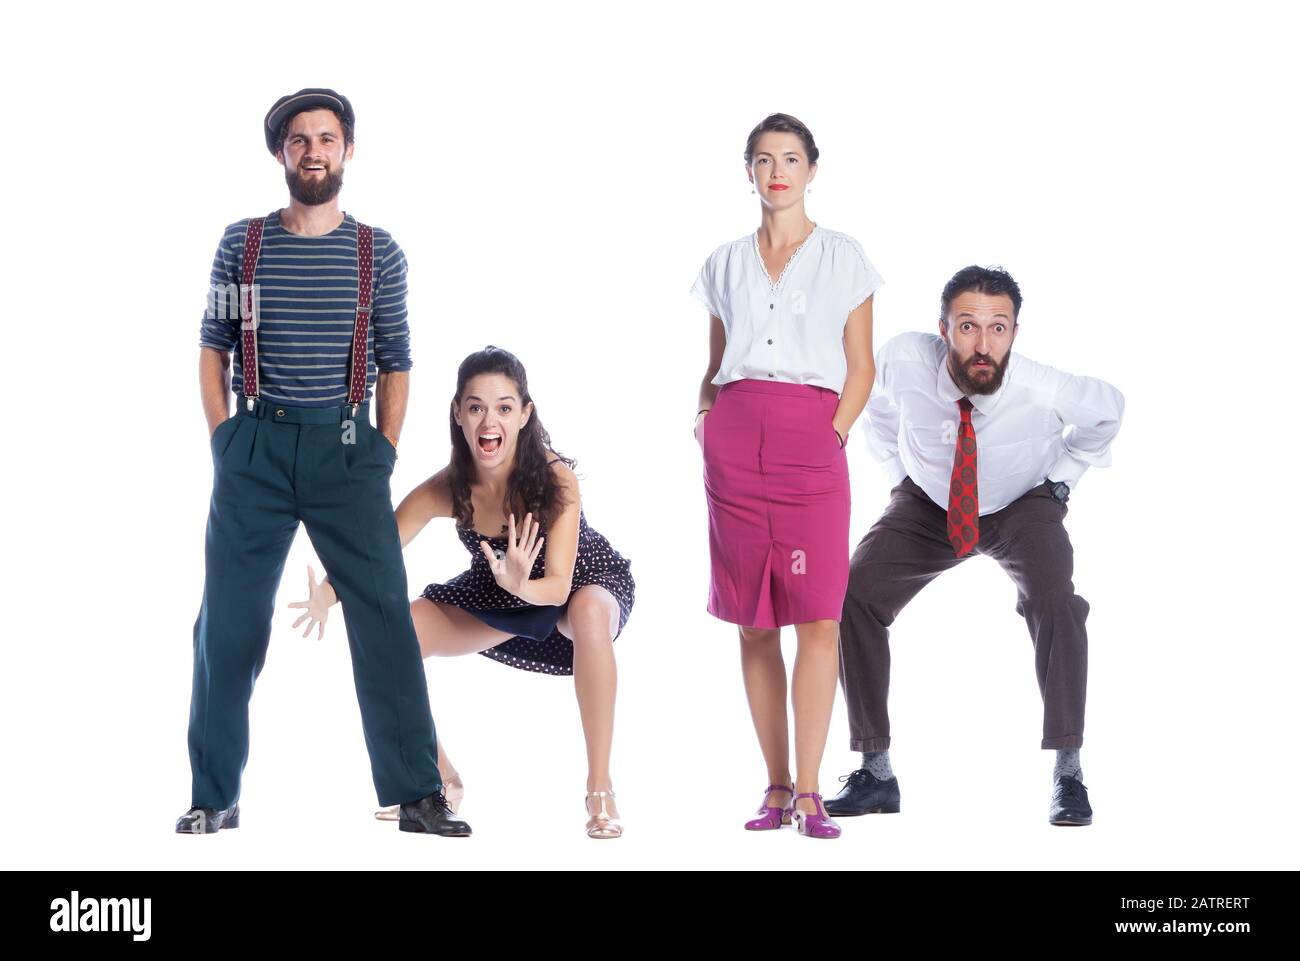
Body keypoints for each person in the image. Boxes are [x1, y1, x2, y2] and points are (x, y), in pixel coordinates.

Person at [180, 88, 468, 838]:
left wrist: (383, 449)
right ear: (282, 153)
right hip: (256, 449)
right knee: (227, 626)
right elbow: (212, 348)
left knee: (383, 620)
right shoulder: (241, 244)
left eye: (328, 138)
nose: (315, 151)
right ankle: (213, 794)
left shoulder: (378, 252)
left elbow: (397, 360)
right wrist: (224, 439)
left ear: (347, 151)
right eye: (301, 140)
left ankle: (416, 793)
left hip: (348, 453)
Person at [291, 346, 635, 839]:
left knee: (588, 613)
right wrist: (329, 590)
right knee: (396, 632)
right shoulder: (448, 487)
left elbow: (558, 583)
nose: (487, 421)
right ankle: (439, 781)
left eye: (503, 407)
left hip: (578, 582)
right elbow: (377, 549)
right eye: (475, 406)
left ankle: (600, 790)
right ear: (457, 413)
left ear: (524, 414)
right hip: (497, 588)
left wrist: (523, 584)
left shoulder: (556, 478)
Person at [825, 265, 1125, 827]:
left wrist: (1064, 479)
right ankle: (876, 772)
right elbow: (876, 403)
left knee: (1057, 599)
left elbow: (1110, 408)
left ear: (1014, 332)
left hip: (1020, 505)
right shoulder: (903, 360)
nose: (982, 344)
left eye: (997, 328)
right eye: (967, 326)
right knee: (852, 596)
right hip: (928, 505)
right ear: (942, 329)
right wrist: (898, 472)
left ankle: (1069, 773)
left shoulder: (1041, 385)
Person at [689, 113, 883, 839]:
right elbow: (713, 366)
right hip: (736, 440)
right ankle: (773, 785)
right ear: (748, 171)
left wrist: (834, 431)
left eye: (791, 158)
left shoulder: (845, 257)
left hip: (811, 436)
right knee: (751, 620)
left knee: (820, 615)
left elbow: (861, 365)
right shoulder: (725, 263)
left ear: (812, 170)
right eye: (765, 158)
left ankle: (809, 791)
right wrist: (706, 420)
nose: (778, 170)